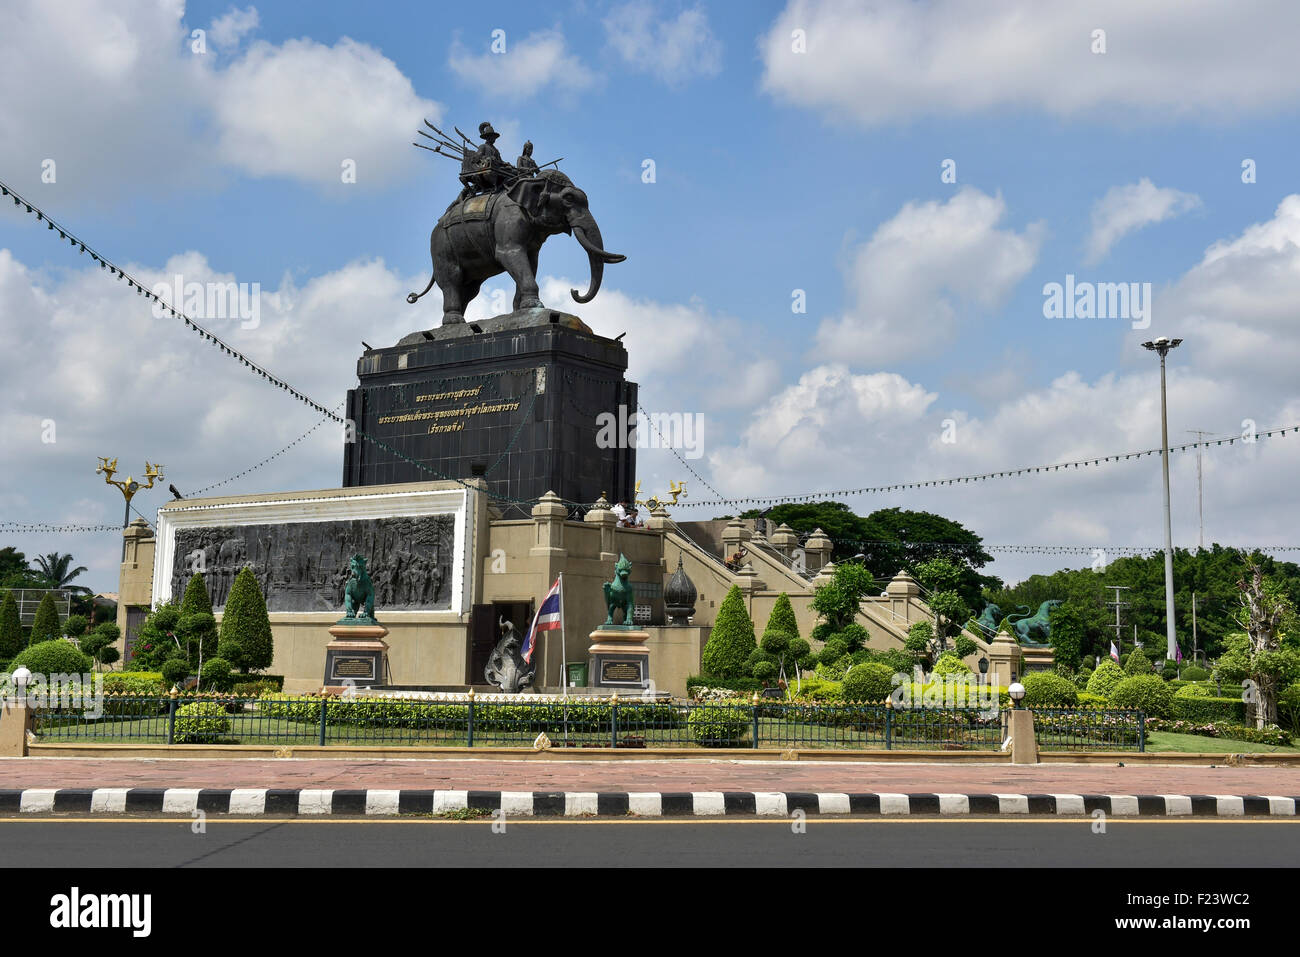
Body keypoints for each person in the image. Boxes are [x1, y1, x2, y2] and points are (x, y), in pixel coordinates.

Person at [456, 121, 504, 203]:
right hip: (488, 166)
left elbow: (500, 161)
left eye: (494, 137)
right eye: (492, 137)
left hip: (497, 166)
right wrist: (487, 157)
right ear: (487, 137)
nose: (494, 139)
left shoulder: (496, 150)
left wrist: (505, 163)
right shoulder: (483, 146)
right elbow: (478, 157)